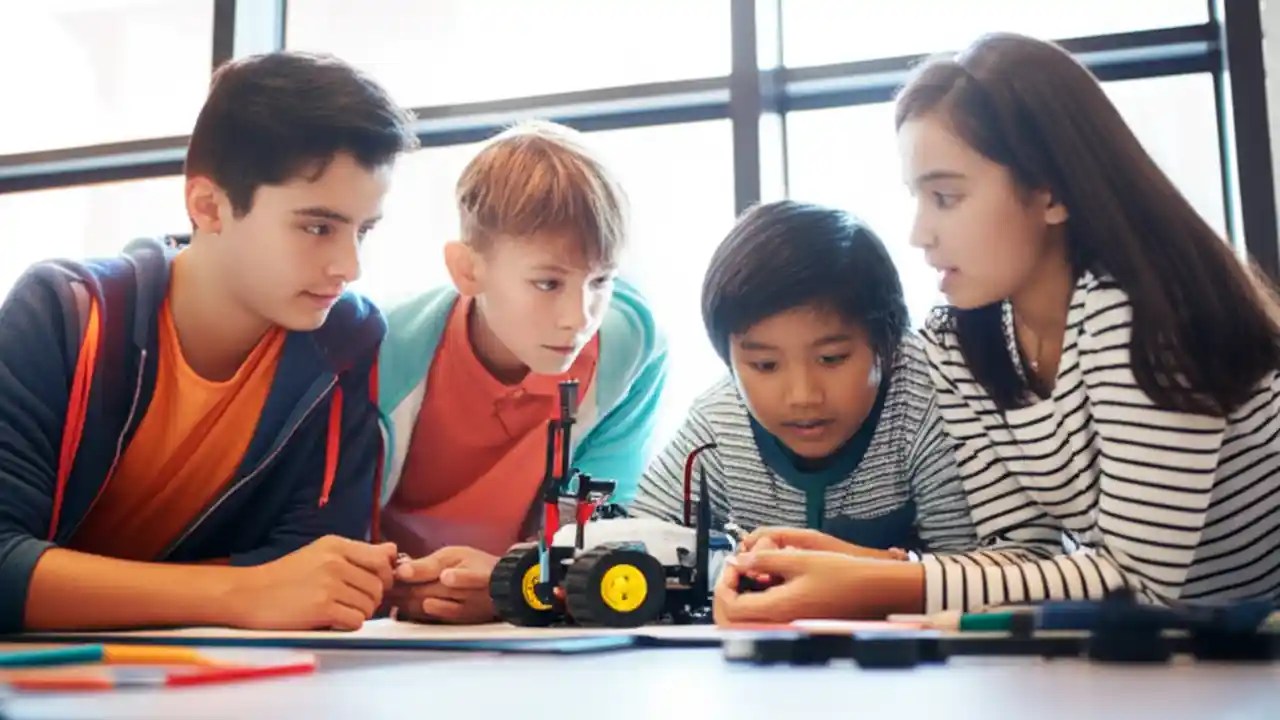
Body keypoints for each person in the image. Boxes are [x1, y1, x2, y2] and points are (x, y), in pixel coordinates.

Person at [714, 33, 1280, 625]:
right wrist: (858, 568)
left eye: (945, 197)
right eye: (918, 197)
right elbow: (1022, 556)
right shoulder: (960, 343)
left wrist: (874, 582)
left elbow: (1141, 583)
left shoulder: (1145, 311)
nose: (919, 233)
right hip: (1179, 658)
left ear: (1051, 192)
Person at [0, 51, 419, 633]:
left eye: (363, 230)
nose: (349, 266)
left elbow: (319, 576)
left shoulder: (344, 338)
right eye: (317, 227)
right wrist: (239, 591)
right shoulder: (66, 312)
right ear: (207, 206)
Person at [377, 121, 668, 624]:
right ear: (467, 270)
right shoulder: (382, 349)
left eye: (600, 280)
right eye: (547, 282)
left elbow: (606, 530)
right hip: (384, 615)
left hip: (526, 618)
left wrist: (510, 586)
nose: (578, 317)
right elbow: (327, 531)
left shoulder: (631, 347)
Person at [632, 200, 976, 562]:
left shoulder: (925, 401)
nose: (803, 396)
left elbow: (968, 566)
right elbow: (637, 544)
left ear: (889, 344)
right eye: (765, 365)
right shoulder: (718, 424)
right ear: (729, 362)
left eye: (831, 359)